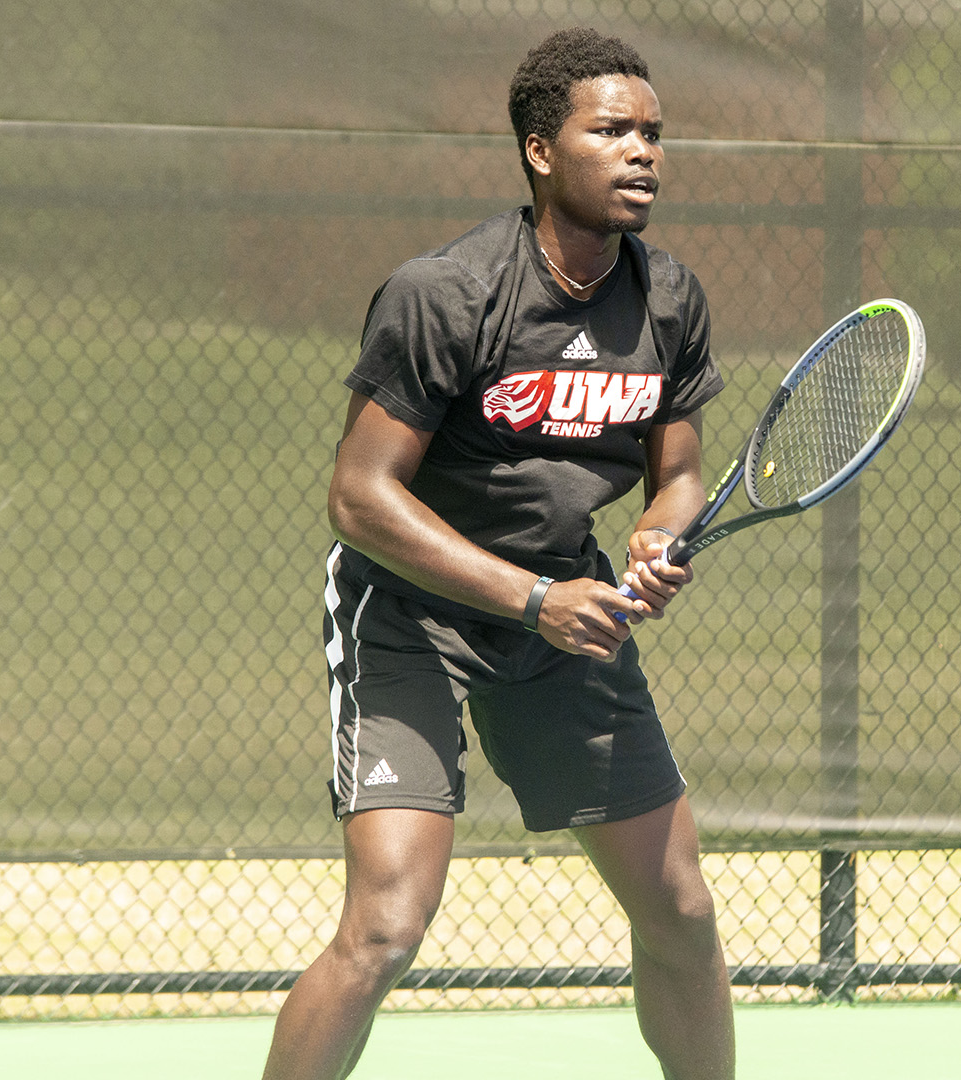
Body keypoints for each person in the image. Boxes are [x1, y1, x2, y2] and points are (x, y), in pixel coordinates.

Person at [259, 26, 736, 1080]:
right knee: (385, 928)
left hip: (568, 615)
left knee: (682, 910)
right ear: (538, 149)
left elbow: (681, 475)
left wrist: (659, 539)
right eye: (611, 130)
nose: (643, 152)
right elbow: (358, 495)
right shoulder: (447, 294)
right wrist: (532, 600)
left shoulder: (667, 301)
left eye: (654, 133)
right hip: (408, 616)